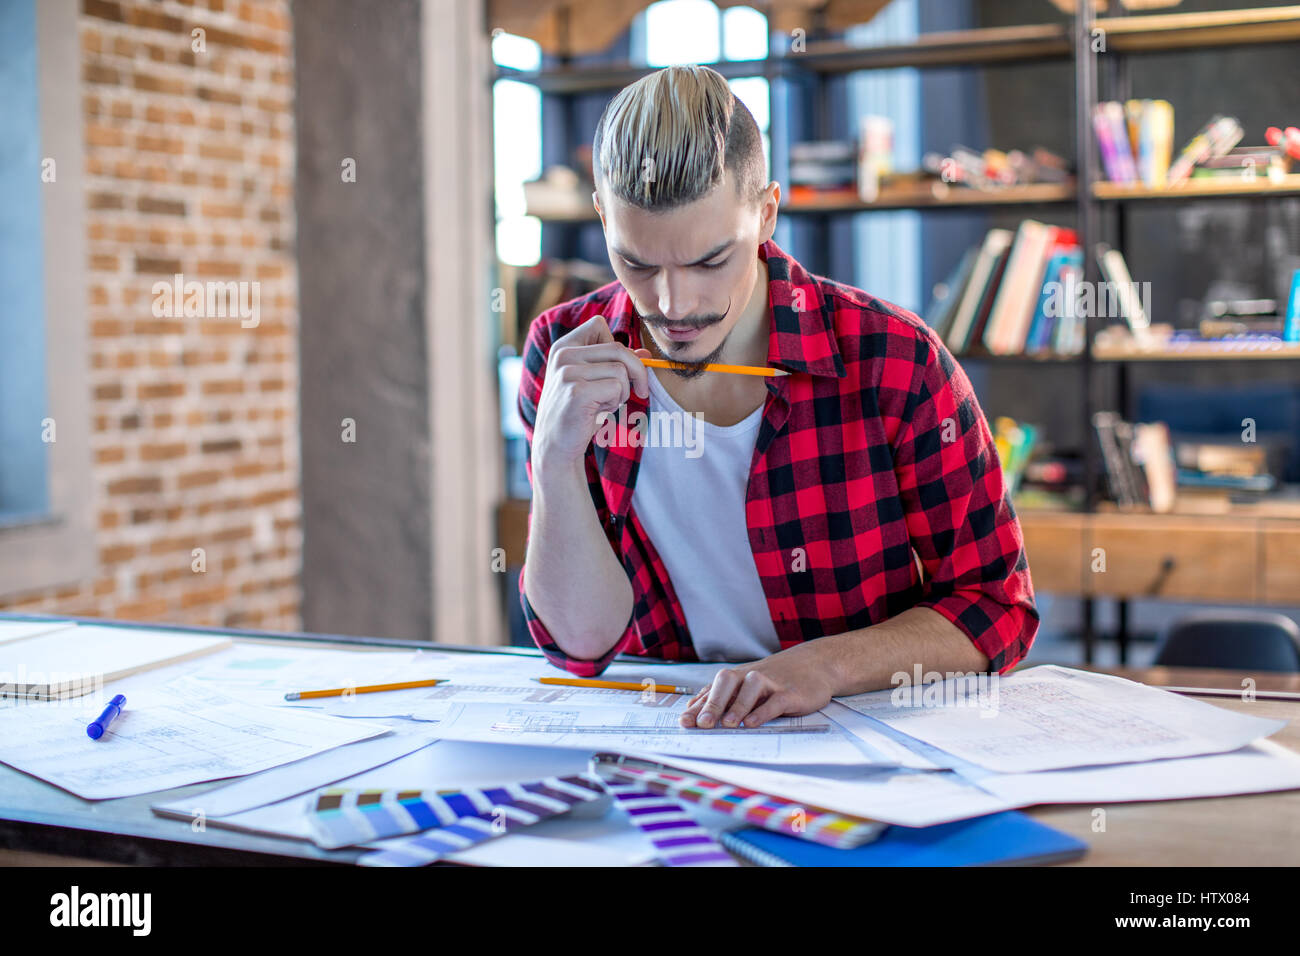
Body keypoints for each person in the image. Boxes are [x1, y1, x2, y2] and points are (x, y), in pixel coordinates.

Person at [517, 64, 1038, 730]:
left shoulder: (894, 358)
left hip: (860, 730)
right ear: (602, 218)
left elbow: (996, 609)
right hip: (669, 738)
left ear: (765, 212)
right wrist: (555, 459)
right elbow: (580, 645)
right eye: (638, 263)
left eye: (710, 262)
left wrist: (825, 665)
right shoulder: (566, 352)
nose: (674, 306)